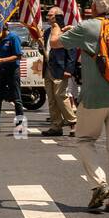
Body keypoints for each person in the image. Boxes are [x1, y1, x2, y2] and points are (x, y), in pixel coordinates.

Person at [51, 0, 109, 214]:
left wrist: (56, 25)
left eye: (92, 2)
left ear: (96, 6)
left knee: (84, 139)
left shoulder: (87, 26)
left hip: (97, 96)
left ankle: (100, 184)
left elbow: (55, 43)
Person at [42, 8, 78, 136]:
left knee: (60, 96)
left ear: (58, 16)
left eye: (50, 15)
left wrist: (69, 69)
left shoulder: (65, 31)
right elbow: (46, 49)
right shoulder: (47, 32)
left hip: (60, 69)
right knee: (51, 99)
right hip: (48, 68)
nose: (47, 17)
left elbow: (72, 52)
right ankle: (56, 126)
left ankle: (73, 122)